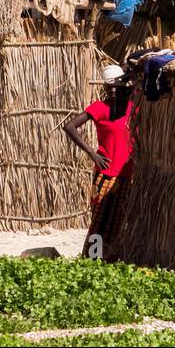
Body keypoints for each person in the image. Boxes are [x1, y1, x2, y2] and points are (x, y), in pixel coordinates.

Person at [64, 63, 135, 259]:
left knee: (118, 220)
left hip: (126, 173)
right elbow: (70, 127)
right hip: (105, 173)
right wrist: (93, 154)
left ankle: (109, 259)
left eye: (116, 86)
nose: (112, 90)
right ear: (103, 87)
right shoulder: (100, 108)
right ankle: (92, 258)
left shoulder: (131, 108)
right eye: (108, 87)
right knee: (99, 219)